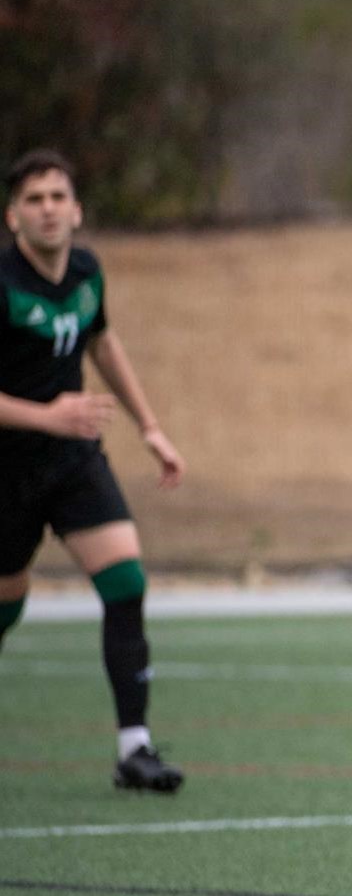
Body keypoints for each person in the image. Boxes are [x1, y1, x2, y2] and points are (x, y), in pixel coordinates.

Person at [0, 149, 186, 792]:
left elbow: (101, 342)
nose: (48, 209)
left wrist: (150, 426)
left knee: (126, 582)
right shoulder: (0, 283)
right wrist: (45, 415)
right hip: (6, 470)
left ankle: (134, 748)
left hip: (74, 461)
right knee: (4, 605)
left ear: (76, 210)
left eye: (58, 197)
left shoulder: (86, 272)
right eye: (34, 199)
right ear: (13, 217)